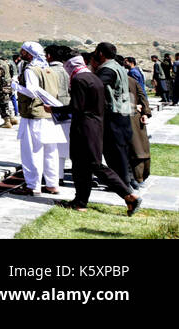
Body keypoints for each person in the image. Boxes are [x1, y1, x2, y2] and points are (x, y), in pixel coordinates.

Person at [59, 51, 140, 214]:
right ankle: (80, 202)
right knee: (80, 166)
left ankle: (129, 195)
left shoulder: (79, 79)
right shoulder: (92, 77)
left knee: (94, 165)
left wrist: (54, 108)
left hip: (84, 127)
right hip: (95, 125)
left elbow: (77, 107)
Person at [9, 41, 66, 195]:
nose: (21, 53)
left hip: (34, 116)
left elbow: (32, 92)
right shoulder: (49, 70)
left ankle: (32, 185)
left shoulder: (30, 69)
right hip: (49, 115)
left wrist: (16, 86)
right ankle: (52, 184)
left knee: (32, 152)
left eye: (23, 51)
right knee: (50, 152)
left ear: (29, 53)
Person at [92, 42, 137, 189]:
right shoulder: (119, 67)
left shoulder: (107, 69)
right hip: (123, 111)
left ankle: (122, 184)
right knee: (123, 148)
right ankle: (129, 179)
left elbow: (95, 86)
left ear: (101, 53)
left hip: (112, 114)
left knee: (114, 150)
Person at [45, 44, 74, 185]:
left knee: (54, 146)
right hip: (68, 109)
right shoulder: (68, 70)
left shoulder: (48, 71)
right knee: (67, 144)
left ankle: (57, 176)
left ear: (49, 56)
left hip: (53, 111)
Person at [126, 74, 151, 184]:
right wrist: (145, 112)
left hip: (128, 117)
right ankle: (138, 177)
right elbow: (142, 96)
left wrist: (145, 112)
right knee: (138, 148)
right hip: (135, 116)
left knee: (135, 148)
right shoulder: (131, 80)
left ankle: (134, 177)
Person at [0, 53, 17, 128]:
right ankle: (12, 118)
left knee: (0, 103)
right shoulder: (6, 62)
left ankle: (6, 121)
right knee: (6, 103)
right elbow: (11, 72)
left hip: (1, 87)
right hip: (9, 85)